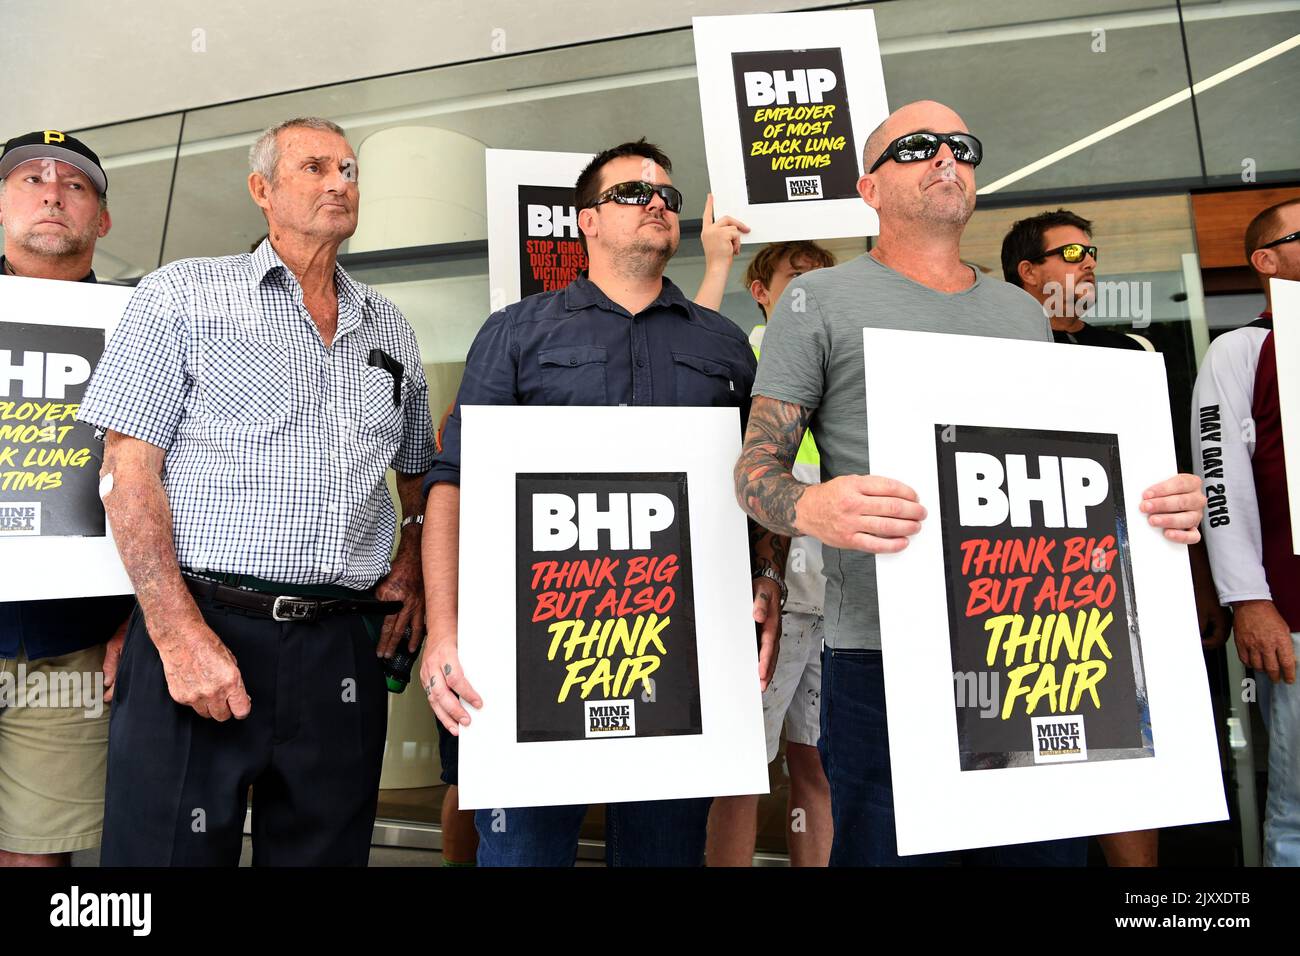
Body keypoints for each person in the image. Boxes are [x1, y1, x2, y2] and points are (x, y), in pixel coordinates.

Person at [734, 100, 1206, 866]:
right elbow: (755, 473)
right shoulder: (817, 299)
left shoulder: (1022, 314)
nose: (946, 155)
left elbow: (1048, 473)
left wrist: (1149, 505)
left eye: (962, 144)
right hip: (882, 655)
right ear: (870, 188)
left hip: (1027, 648)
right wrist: (813, 505)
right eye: (917, 146)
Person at [77, 116, 434, 865]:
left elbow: (417, 478)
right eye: (314, 167)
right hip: (205, 623)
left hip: (342, 644)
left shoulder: (391, 328)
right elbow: (126, 475)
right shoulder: (181, 296)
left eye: (349, 170)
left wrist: (409, 563)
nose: (340, 182)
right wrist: (175, 636)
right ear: (261, 190)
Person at [419, 139, 784, 867]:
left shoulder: (724, 345)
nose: (658, 204)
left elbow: (760, 482)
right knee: (522, 856)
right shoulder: (515, 333)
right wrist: (443, 629)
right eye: (632, 193)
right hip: (532, 650)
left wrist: (768, 578)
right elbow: (453, 480)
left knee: (663, 855)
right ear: (584, 221)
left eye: (667, 196)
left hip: (682, 654)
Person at [1002, 207, 1167, 866]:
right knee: (1045, 764)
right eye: (1069, 254)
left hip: (1126, 578)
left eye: (1090, 251)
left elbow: (1163, 468)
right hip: (1027, 583)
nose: (1088, 262)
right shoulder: (990, 350)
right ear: (1028, 271)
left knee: (1133, 758)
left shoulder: (1134, 349)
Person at [0, 129, 135, 867]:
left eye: (76, 185)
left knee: (37, 855)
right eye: (30, 180)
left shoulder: (146, 326)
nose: (52, 192)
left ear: (102, 220)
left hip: (78, 640)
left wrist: (141, 621)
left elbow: (183, 479)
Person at [694, 232, 836, 867]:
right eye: (797, 276)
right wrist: (716, 259)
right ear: (761, 292)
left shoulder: (842, 358)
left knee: (817, 763)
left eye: (822, 274)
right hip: (771, 595)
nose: (812, 286)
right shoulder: (743, 359)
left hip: (845, 596)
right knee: (744, 768)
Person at [1192, 197, 1300, 867]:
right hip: (1293, 615)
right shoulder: (1242, 349)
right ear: (1266, 260)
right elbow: (1217, 481)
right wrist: (1249, 600)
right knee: (1297, 813)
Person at [1001, 207, 1144, 350]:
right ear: (1029, 272)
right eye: (1073, 252)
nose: (1091, 263)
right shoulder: (995, 350)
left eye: (1091, 253)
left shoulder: (1126, 349)